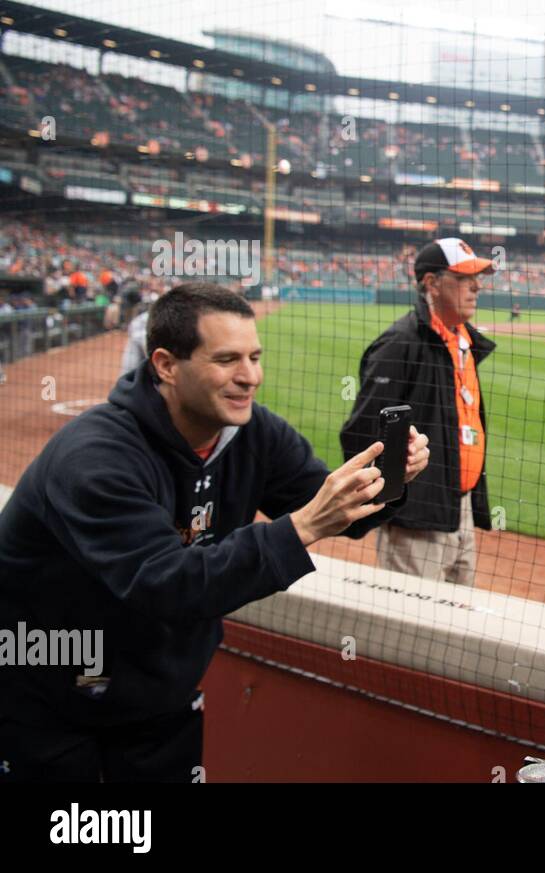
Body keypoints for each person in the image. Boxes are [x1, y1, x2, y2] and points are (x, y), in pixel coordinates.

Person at [0, 282, 431, 781]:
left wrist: (390, 480)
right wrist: (305, 525)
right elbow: (169, 584)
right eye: (227, 359)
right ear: (165, 365)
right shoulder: (96, 458)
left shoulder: (255, 434)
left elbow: (333, 507)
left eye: (254, 356)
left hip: (158, 699)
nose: (250, 377)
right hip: (44, 702)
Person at [341, 238, 495, 585]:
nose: (477, 286)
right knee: (413, 631)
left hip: (460, 506)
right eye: (464, 278)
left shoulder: (463, 343)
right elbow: (363, 432)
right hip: (416, 514)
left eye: (478, 278)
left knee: (457, 622)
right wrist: (395, 503)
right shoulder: (401, 343)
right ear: (431, 283)